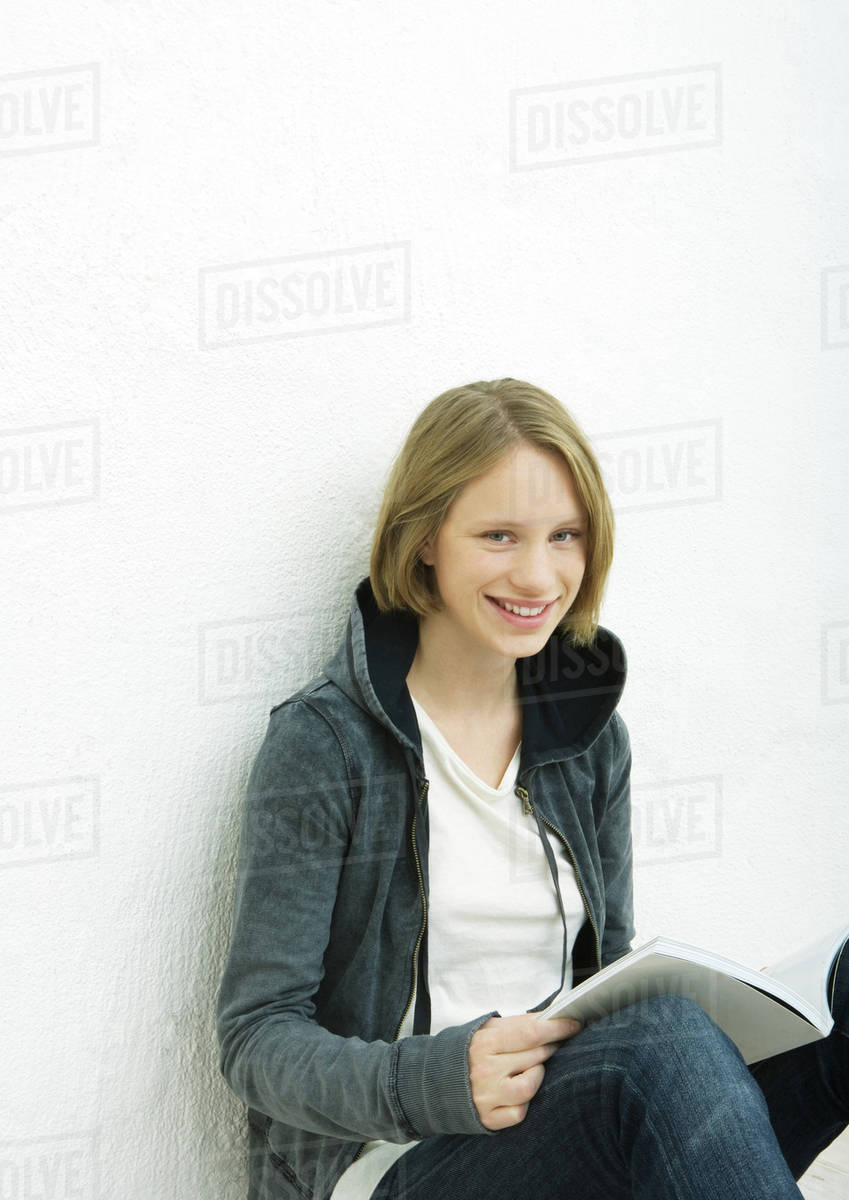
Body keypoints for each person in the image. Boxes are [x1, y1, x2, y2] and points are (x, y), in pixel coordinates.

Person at [216, 378, 848, 1200]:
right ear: (425, 540)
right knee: (658, 1041)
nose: (538, 575)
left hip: (570, 1131)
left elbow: (611, 980)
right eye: (499, 536)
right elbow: (254, 1040)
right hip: (395, 1167)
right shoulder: (326, 745)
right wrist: (434, 1078)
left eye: (564, 536)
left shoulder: (586, 738)